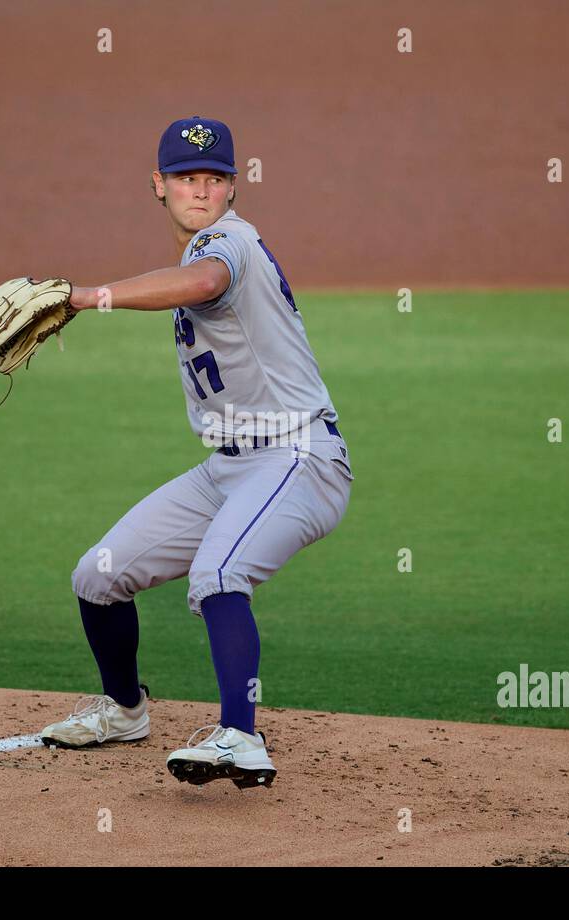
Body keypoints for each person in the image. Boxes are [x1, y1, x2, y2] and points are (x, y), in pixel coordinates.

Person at [39, 116, 354, 789]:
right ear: (159, 185)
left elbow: (207, 282)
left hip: (300, 458)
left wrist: (92, 297)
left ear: (234, 187)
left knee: (217, 574)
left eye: (214, 178)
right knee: (97, 576)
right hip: (230, 467)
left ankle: (241, 737)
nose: (201, 188)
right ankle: (125, 709)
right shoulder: (198, 247)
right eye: (186, 177)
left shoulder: (228, 243)